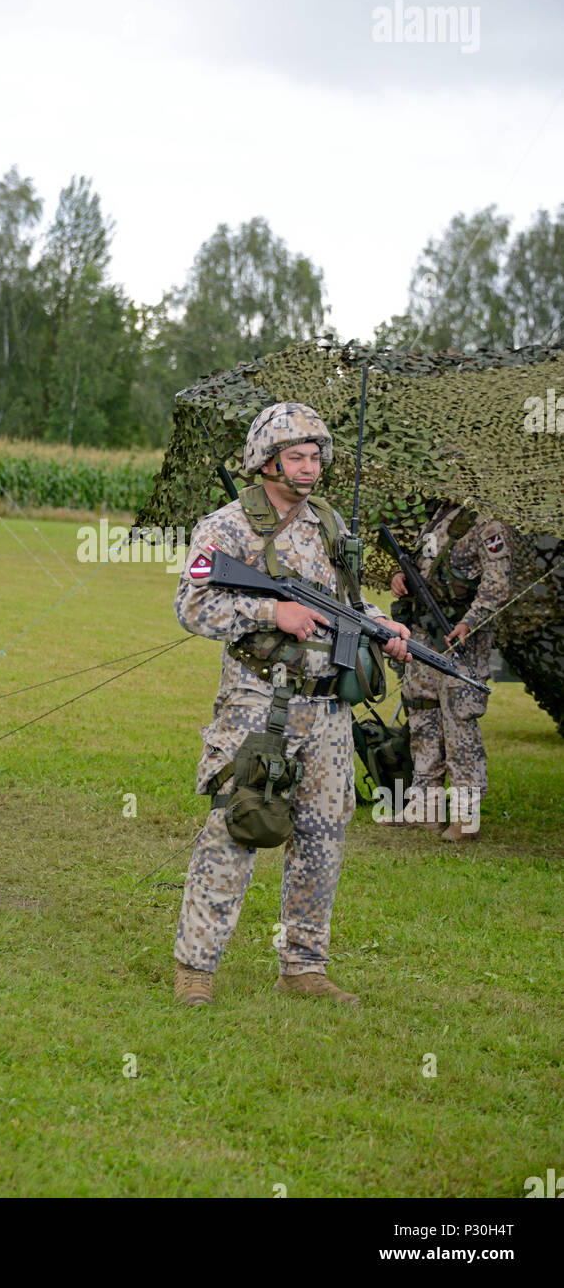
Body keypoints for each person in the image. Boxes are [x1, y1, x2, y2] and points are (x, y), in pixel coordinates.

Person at [173, 402, 411, 1008]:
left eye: (316, 458)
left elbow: (348, 606)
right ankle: (196, 969)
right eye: (297, 458)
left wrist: (386, 629)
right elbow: (192, 607)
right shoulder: (226, 527)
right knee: (240, 823)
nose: (309, 469)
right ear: (267, 462)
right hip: (261, 703)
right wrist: (268, 611)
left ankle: (303, 967)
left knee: (323, 834)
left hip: (329, 708)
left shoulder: (328, 524)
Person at [385, 503, 512, 841]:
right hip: (425, 632)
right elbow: (423, 566)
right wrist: (400, 578)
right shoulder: (439, 513)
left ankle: (465, 818)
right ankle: (424, 807)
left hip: (461, 637)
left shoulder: (487, 524)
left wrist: (470, 621)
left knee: (459, 724)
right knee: (423, 717)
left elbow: (497, 584)